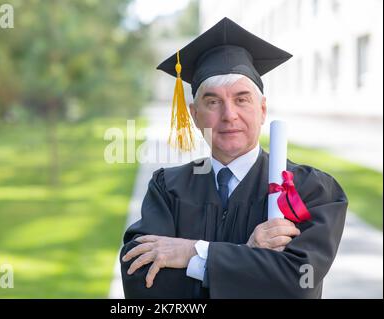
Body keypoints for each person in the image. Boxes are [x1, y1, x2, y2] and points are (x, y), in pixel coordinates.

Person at [119, 17, 348, 298]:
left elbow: (297, 283)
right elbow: (142, 283)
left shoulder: (310, 191)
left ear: (262, 109)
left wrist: (194, 253)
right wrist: (249, 258)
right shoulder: (168, 188)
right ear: (194, 115)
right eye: (213, 102)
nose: (229, 115)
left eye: (242, 99)